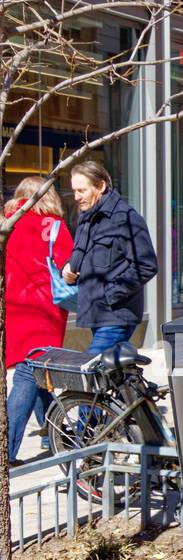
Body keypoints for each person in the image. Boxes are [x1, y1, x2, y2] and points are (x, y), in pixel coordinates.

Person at [5, 177, 74, 463]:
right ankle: (5, 450)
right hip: (44, 308)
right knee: (29, 371)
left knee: (35, 368)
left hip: (13, 304)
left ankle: (54, 432)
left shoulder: (7, 222)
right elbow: (70, 264)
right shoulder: (55, 227)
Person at [61, 159, 157, 359]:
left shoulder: (125, 218)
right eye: (75, 191)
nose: (77, 197)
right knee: (108, 376)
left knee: (91, 369)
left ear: (101, 186)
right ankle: (132, 390)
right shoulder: (86, 218)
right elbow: (84, 259)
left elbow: (146, 265)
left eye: (82, 190)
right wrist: (68, 270)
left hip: (116, 314)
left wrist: (109, 294)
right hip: (95, 313)